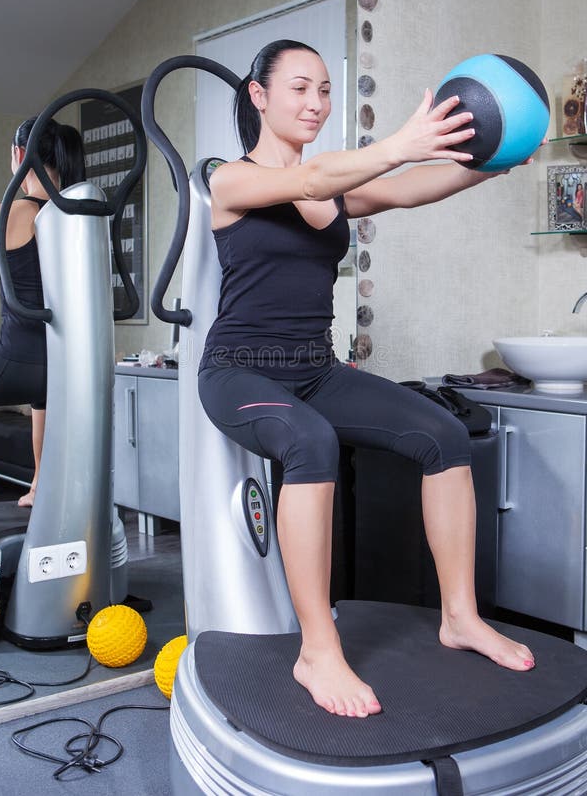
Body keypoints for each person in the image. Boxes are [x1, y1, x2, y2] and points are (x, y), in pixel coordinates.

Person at [198, 39, 537, 721]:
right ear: (259, 95)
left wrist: (491, 164)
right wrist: (404, 140)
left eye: (324, 90)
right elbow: (310, 180)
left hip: (315, 370)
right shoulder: (230, 179)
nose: (316, 103)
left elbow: (410, 190)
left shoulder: (335, 186)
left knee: (443, 433)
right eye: (299, 88)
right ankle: (317, 649)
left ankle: (460, 617)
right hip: (239, 372)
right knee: (310, 442)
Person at [0, 117, 85, 507]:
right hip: (62, 364)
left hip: (15, 360)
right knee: (42, 395)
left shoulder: (7, 214)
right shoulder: (81, 214)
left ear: (18, 156)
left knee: (25, 375)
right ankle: (40, 484)